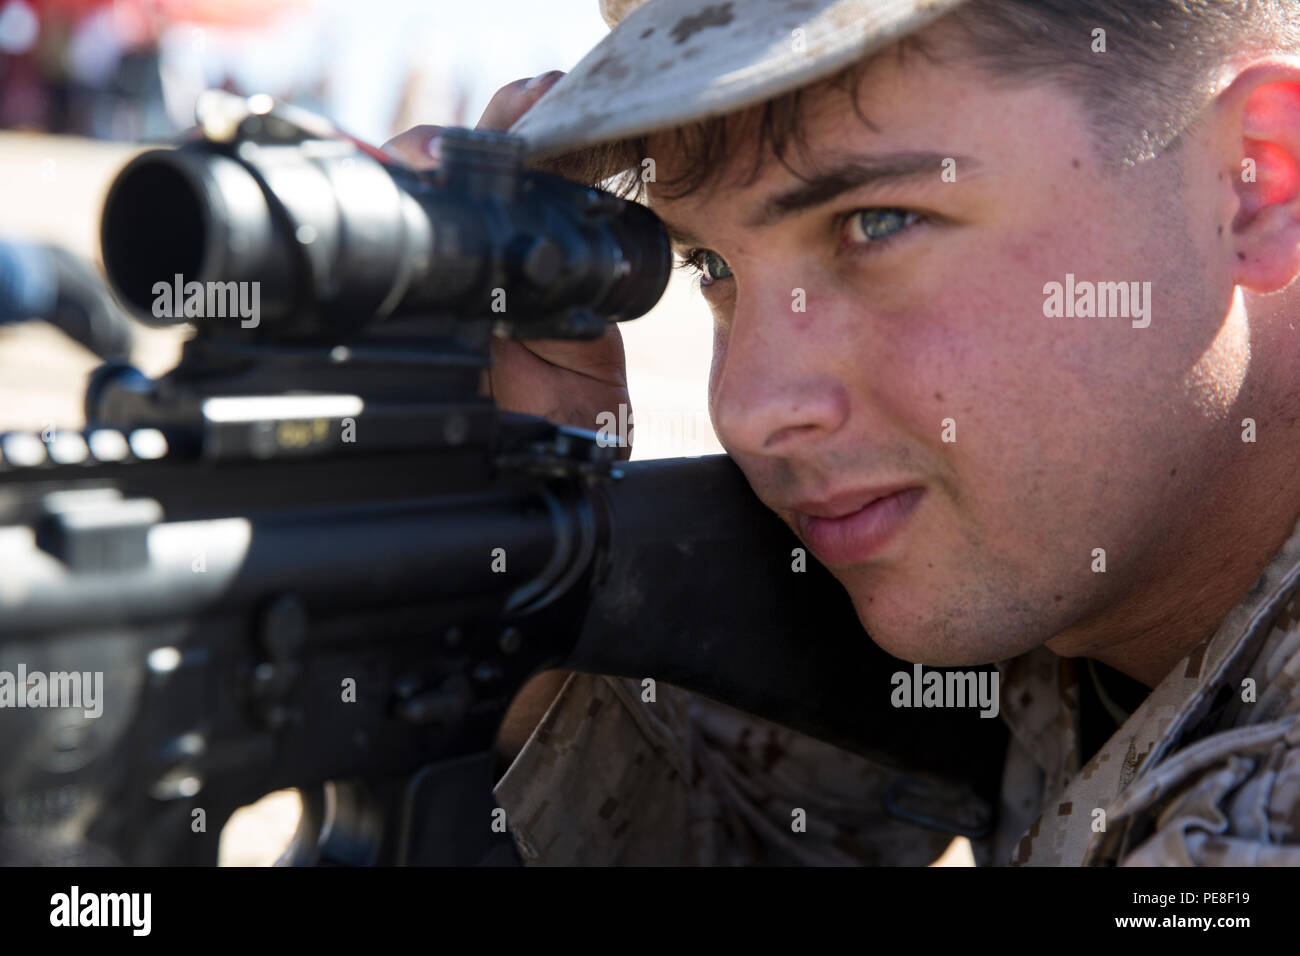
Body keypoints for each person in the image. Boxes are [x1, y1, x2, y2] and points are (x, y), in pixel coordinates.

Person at [385, 0, 1300, 865]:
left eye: (879, 222)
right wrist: (535, 583)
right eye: (711, 263)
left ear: (1257, 181)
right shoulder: (1043, 549)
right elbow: (732, 834)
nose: (749, 406)